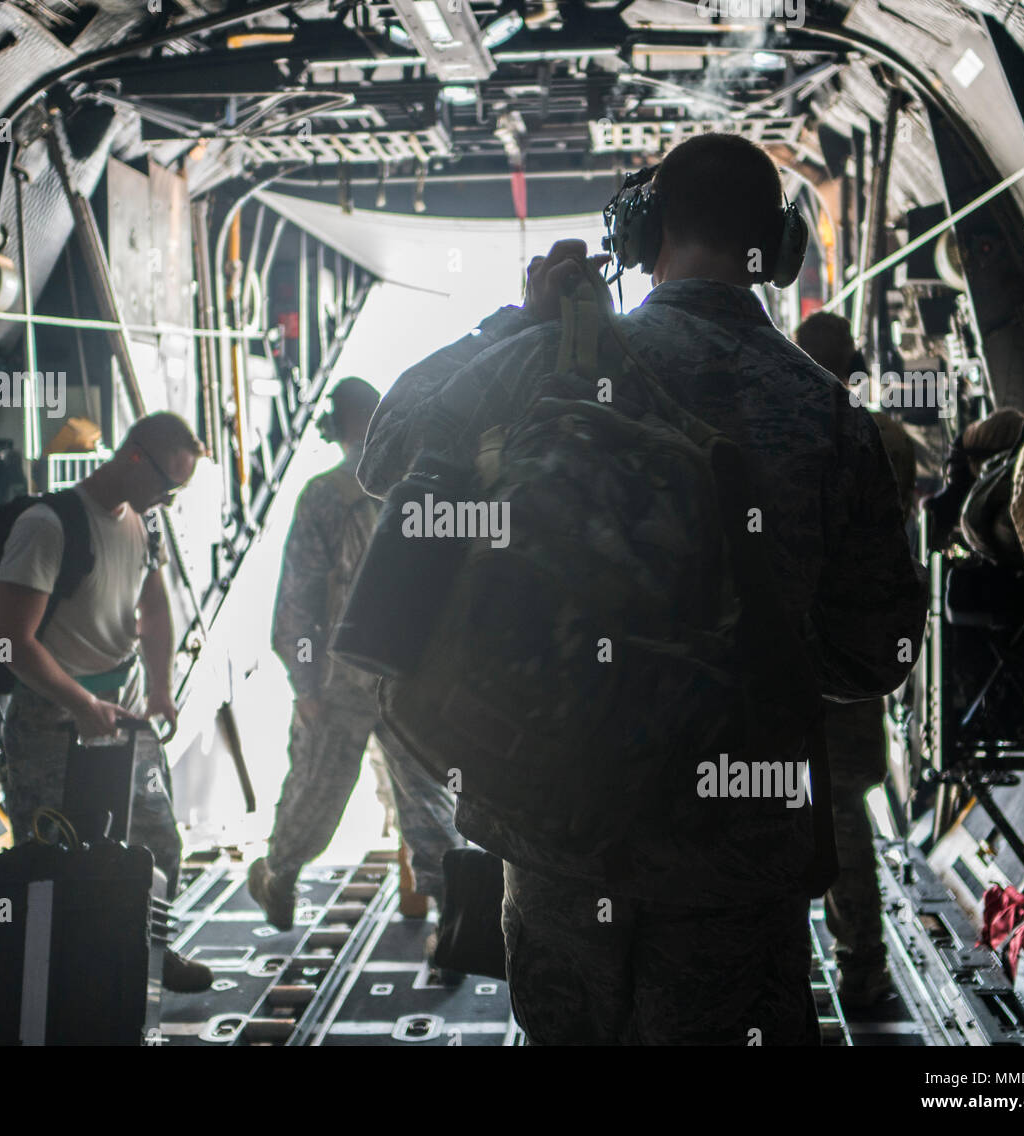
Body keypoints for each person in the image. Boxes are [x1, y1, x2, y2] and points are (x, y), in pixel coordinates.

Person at [358, 133, 927, 1044]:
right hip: (736, 858)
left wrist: (520, 318)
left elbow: (385, 456)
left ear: (642, 232)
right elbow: (877, 651)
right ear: (777, 252)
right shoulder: (829, 415)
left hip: (561, 839)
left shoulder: (550, 357)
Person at [0, 410, 213, 994]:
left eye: (178, 491)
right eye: (167, 485)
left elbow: (156, 608)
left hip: (126, 712)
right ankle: (53, 989)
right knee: (51, 857)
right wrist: (81, 704)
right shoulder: (50, 526)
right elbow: (13, 642)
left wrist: (162, 687)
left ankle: (148, 956)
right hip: (52, 718)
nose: (168, 499)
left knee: (158, 845)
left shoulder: (146, 524)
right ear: (133, 455)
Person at [247, 378, 464, 945]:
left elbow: (295, 606)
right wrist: (306, 685)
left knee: (429, 815)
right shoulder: (388, 493)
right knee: (322, 804)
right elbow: (299, 604)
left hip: (375, 683)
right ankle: (278, 875)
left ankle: (452, 923)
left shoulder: (358, 493)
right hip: (374, 684)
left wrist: (305, 684)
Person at [795, 310, 918, 1009]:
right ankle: (861, 966)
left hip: (786, 667)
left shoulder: (777, 430)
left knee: (770, 812)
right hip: (851, 668)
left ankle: (785, 963)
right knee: (843, 819)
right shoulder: (884, 438)